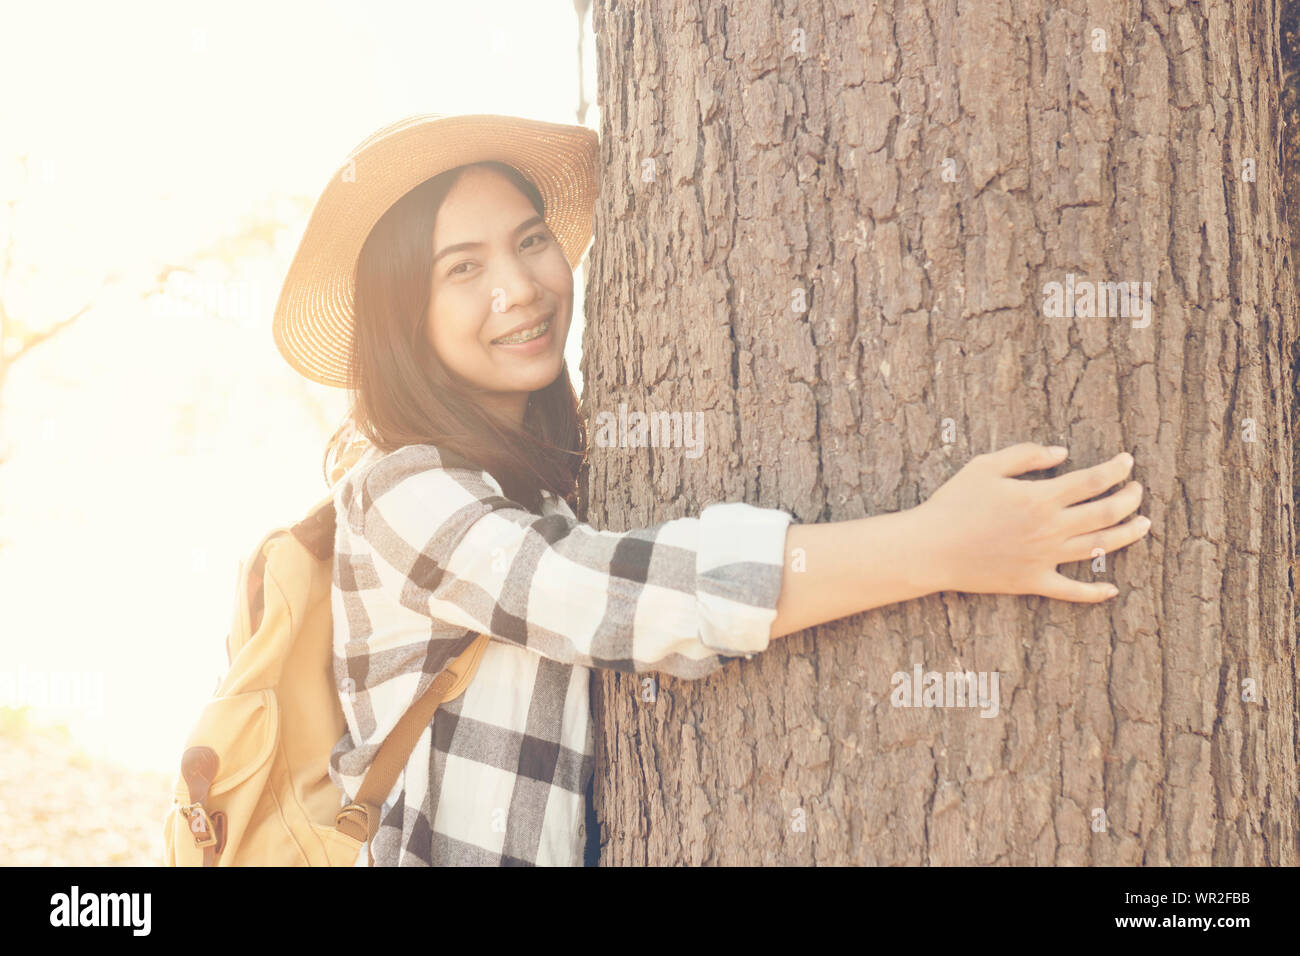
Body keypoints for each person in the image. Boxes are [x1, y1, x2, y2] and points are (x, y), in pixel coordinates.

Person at [271, 113, 1150, 866]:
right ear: (402, 313)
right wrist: (936, 546)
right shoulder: (397, 492)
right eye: (461, 268)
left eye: (530, 239)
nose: (520, 287)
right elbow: (605, 597)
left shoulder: (563, 476)